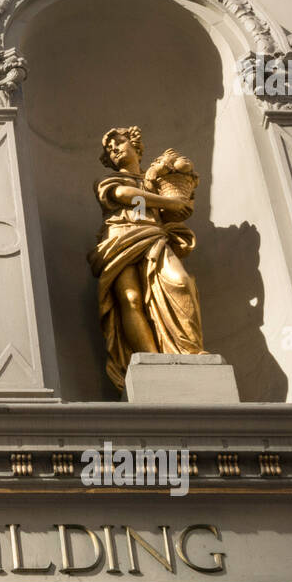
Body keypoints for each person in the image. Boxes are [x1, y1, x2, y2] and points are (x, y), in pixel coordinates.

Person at [88, 125, 203, 390]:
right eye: (109, 149)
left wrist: (179, 201)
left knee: (181, 283)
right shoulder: (109, 181)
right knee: (131, 299)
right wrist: (170, 203)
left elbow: (173, 212)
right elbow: (125, 196)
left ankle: (189, 351)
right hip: (120, 240)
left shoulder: (155, 182)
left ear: (136, 146)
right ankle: (152, 362)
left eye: (119, 143)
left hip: (154, 238)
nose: (114, 150)